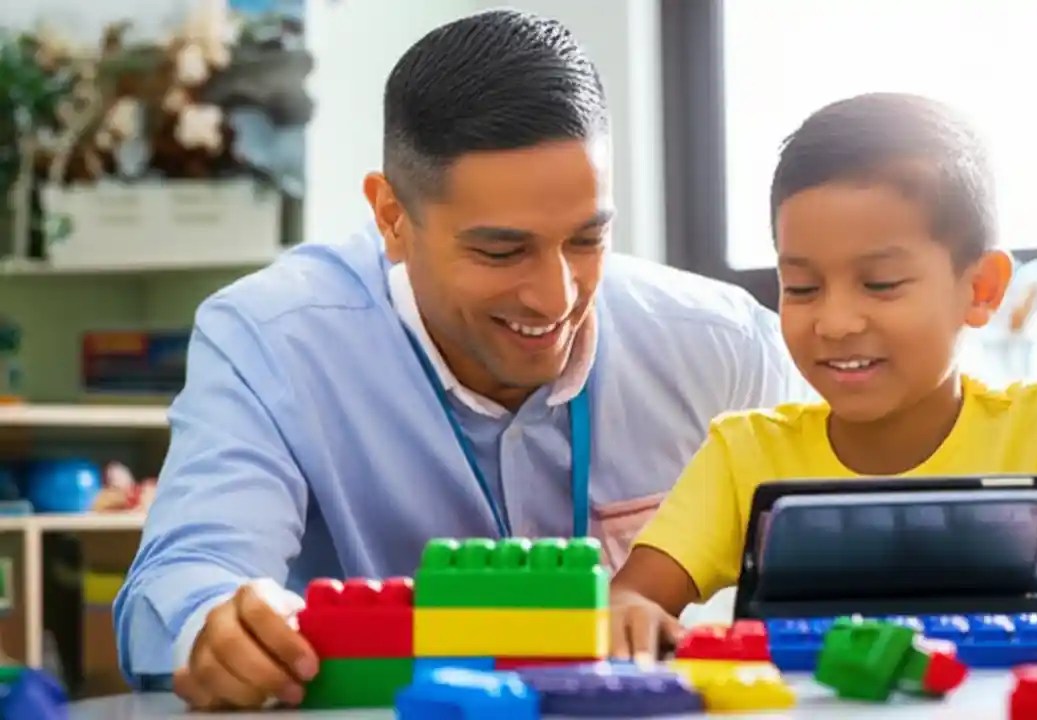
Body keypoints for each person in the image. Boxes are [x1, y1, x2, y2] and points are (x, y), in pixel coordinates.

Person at [113, 9, 811, 710]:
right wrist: (216, 624)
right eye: (501, 251)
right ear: (390, 216)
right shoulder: (270, 339)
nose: (555, 296)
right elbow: (186, 577)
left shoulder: (726, 346)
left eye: (586, 239)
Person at [608, 93, 1037, 659]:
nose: (836, 322)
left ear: (981, 289)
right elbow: (633, 596)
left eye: (880, 283)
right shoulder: (743, 455)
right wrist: (631, 612)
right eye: (802, 288)